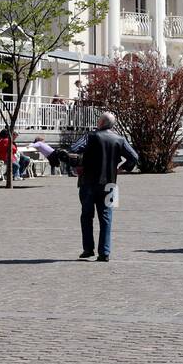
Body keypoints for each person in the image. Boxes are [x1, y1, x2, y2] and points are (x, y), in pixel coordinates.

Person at [63, 112, 138, 262]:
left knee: (86, 216)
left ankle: (88, 249)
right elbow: (134, 157)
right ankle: (104, 252)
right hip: (111, 183)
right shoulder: (120, 139)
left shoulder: (90, 136)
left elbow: (73, 149)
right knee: (107, 218)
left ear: (101, 122)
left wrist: (79, 164)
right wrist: (122, 168)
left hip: (88, 182)